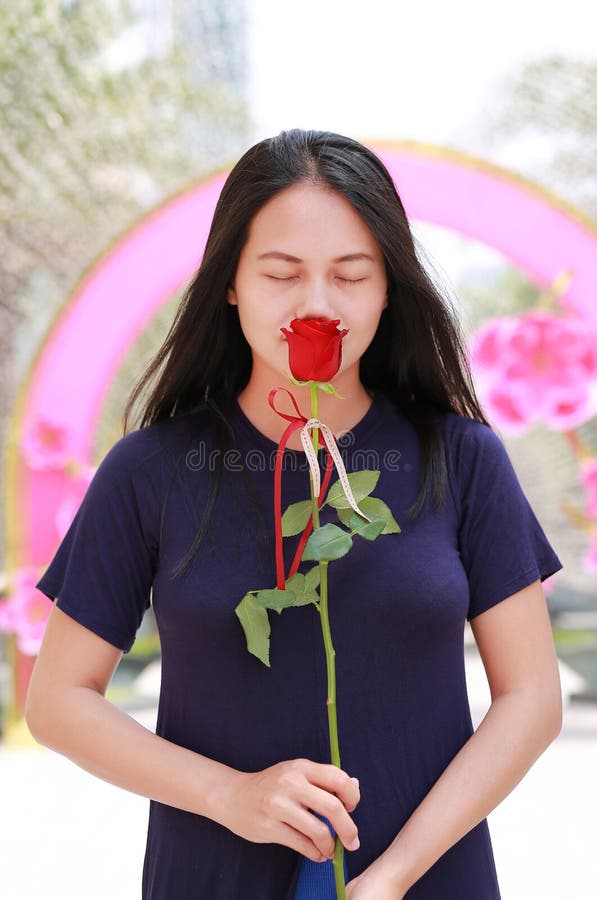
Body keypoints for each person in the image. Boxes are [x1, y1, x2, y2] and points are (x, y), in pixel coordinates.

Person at [26, 129, 564, 899]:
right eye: (281, 273)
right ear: (231, 283)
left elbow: (530, 700)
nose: (317, 304)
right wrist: (229, 795)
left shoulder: (462, 458)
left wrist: (392, 877)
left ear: (387, 288)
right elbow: (58, 702)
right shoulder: (149, 471)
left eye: (351, 275)